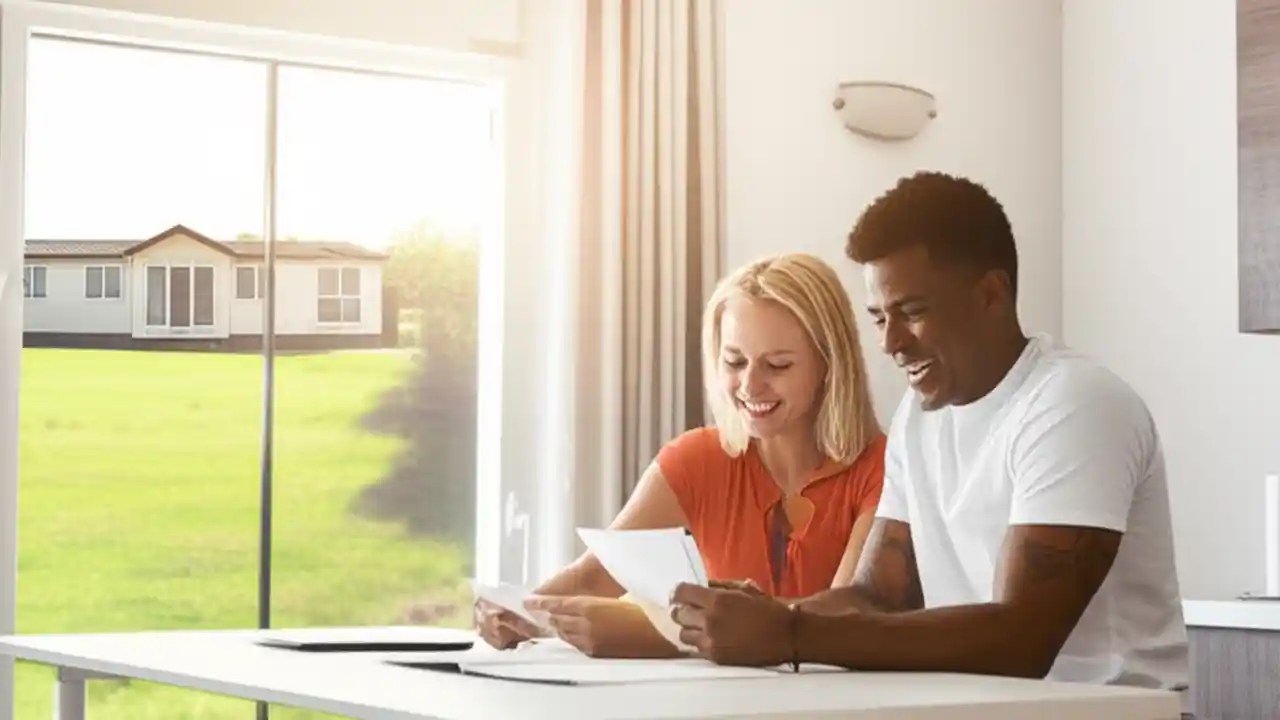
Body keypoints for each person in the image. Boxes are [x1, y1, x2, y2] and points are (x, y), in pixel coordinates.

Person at [670, 172, 1191, 711]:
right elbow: (878, 598)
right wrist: (767, 619)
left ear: (992, 294)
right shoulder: (921, 419)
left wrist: (790, 634)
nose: (891, 343)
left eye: (912, 313)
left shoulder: (1074, 404)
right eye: (879, 318)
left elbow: (1023, 639)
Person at [474, 252, 887, 658]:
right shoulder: (696, 459)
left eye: (777, 365)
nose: (749, 385)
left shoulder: (883, 468)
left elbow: (841, 618)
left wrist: (646, 627)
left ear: (830, 364)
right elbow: (595, 575)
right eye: (734, 361)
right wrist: (517, 612)